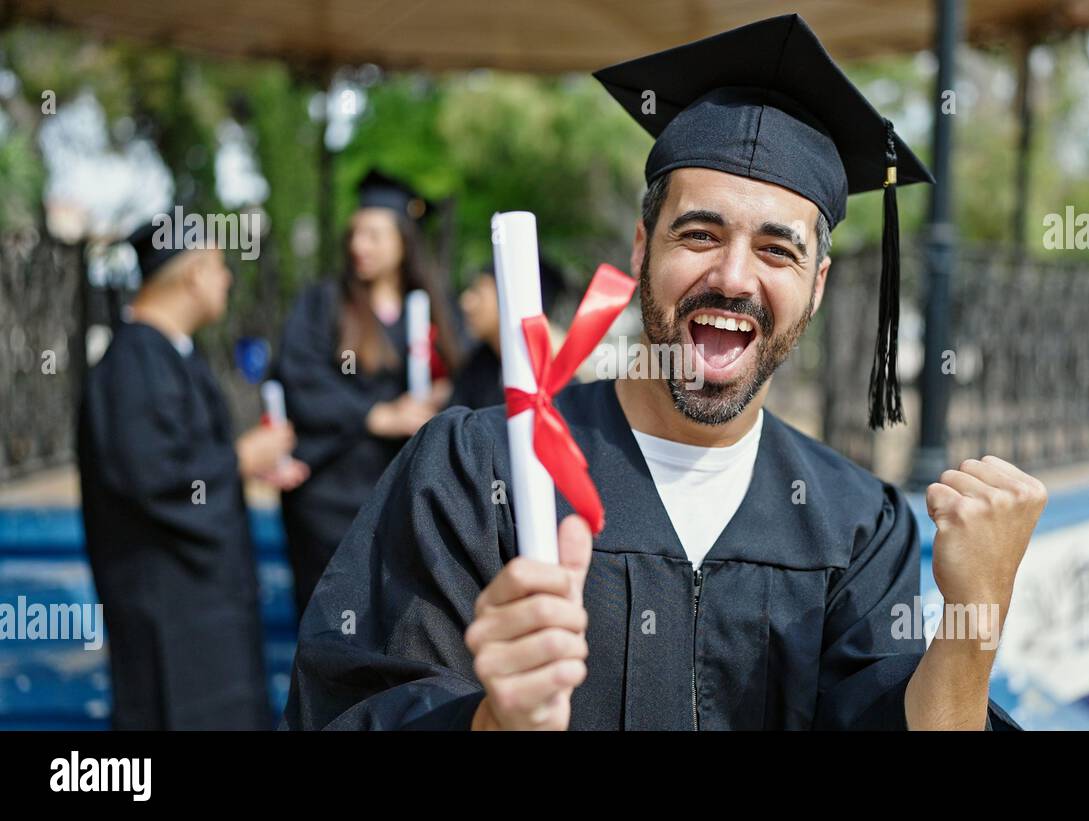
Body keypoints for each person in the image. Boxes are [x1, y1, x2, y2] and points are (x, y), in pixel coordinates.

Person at [283, 15, 1047, 731]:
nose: (733, 276)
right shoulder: (476, 473)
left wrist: (971, 626)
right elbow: (349, 704)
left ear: (815, 286)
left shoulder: (856, 526)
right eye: (700, 233)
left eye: (777, 250)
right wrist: (491, 719)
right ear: (642, 250)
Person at [78, 214, 307, 730]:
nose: (226, 279)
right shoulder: (135, 363)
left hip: (204, 617)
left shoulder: (171, 357)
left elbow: (184, 467)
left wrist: (240, 472)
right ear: (194, 272)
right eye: (220, 266)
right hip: (169, 624)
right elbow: (151, 478)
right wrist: (240, 460)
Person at [275, 170, 461, 618]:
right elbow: (298, 380)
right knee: (333, 615)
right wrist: (375, 414)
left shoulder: (435, 306)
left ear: (403, 240)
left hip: (404, 487)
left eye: (374, 235)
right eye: (356, 233)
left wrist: (440, 395)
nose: (361, 245)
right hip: (331, 493)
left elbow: (464, 375)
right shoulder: (325, 302)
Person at [449, 257, 569, 410]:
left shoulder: (557, 374)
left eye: (478, 292)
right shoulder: (478, 364)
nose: (465, 302)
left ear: (510, 299)